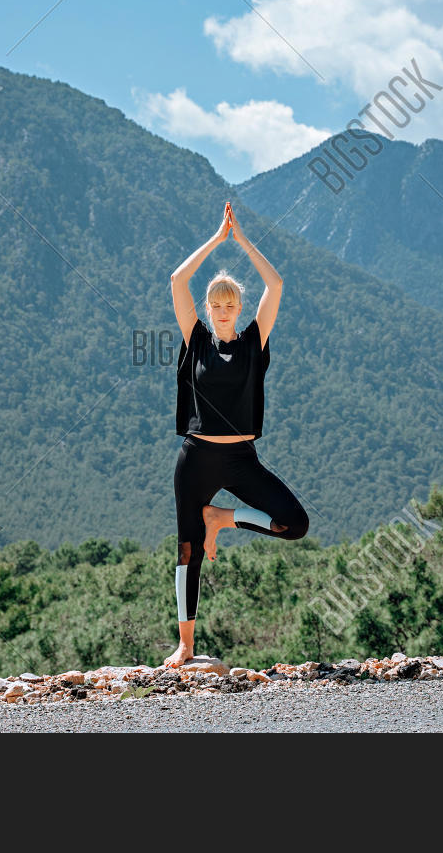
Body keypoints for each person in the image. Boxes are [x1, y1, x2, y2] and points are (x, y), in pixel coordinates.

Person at [164, 200, 309, 667]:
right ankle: (185, 645)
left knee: (294, 524)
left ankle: (222, 519)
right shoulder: (197, 339)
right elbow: (176, 281)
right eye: (217, 305)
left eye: (231, 305)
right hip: (197, 459)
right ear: (207, 309)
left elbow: (277, 283)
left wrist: (242, 239)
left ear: (239, 308)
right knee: (188, 551)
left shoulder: (253, 342)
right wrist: (216, 238)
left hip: (241, 459)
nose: (224, 311)